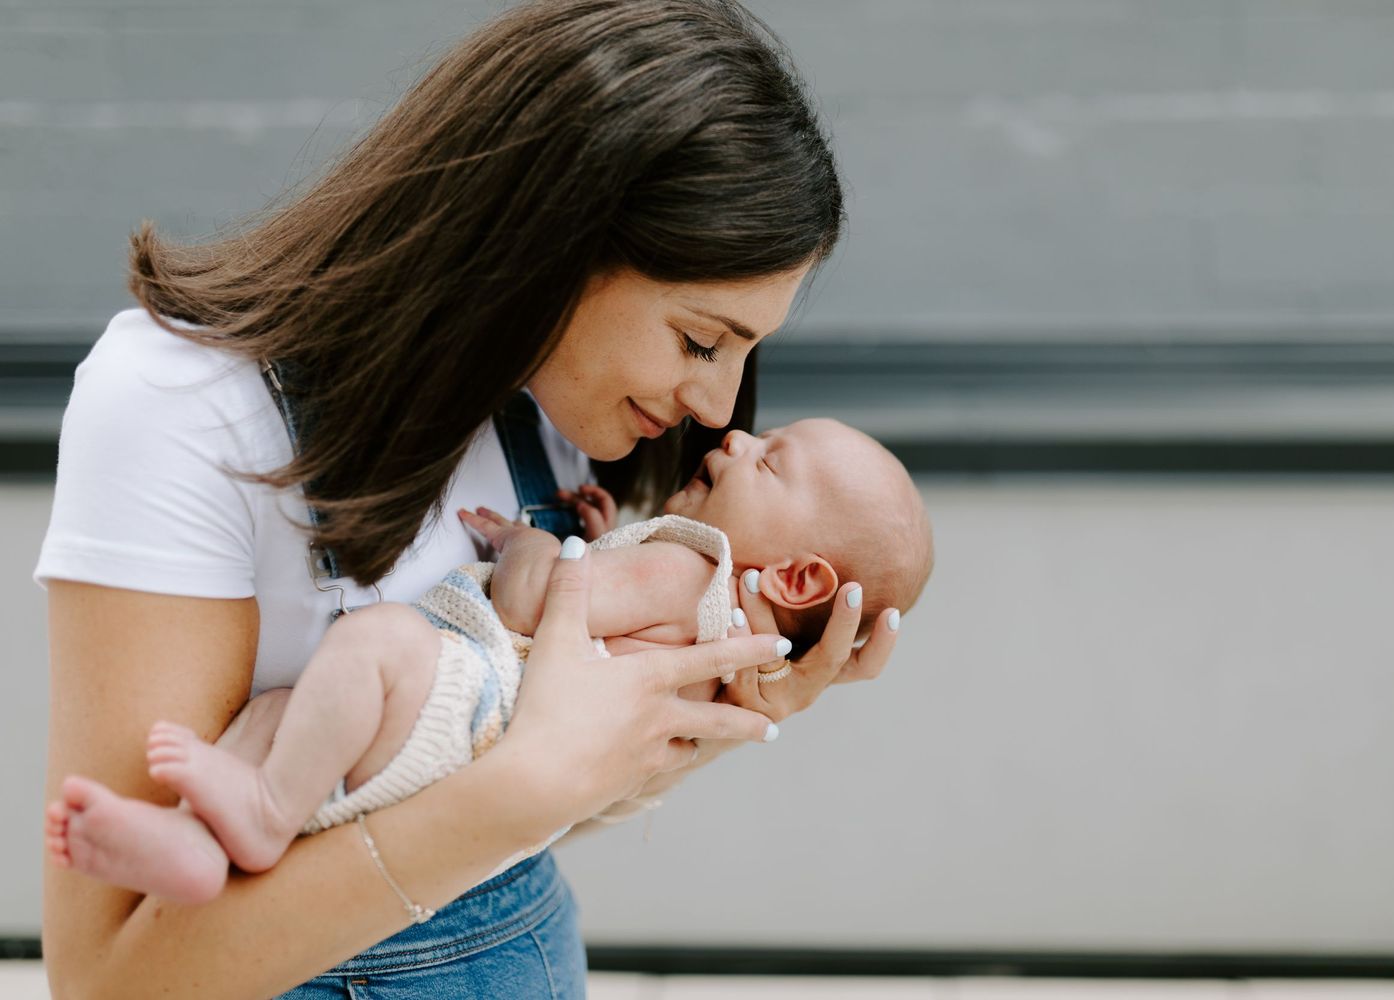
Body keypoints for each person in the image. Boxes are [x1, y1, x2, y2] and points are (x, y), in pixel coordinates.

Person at [33, 2, 902, 997]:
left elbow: (508, 771)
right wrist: (520, 791)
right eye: (702, 340)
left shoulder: (561, 424)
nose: (717, 405)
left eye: (748, 351)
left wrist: (707, 714)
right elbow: (111, 981)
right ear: (552, 239)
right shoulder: (180, 405)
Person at [42, 420, 933, 907]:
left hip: (474, 692)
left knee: (367, 645)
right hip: (485, 739)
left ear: (799, 575)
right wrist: (599, 539)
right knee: (295, 714)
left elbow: (529, 607)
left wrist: (528, 540)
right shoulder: (715, 633)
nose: (734, 438)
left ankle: (266, 813)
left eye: (768, 460)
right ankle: (202, 842)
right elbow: (613, 620)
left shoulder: (689, 563)